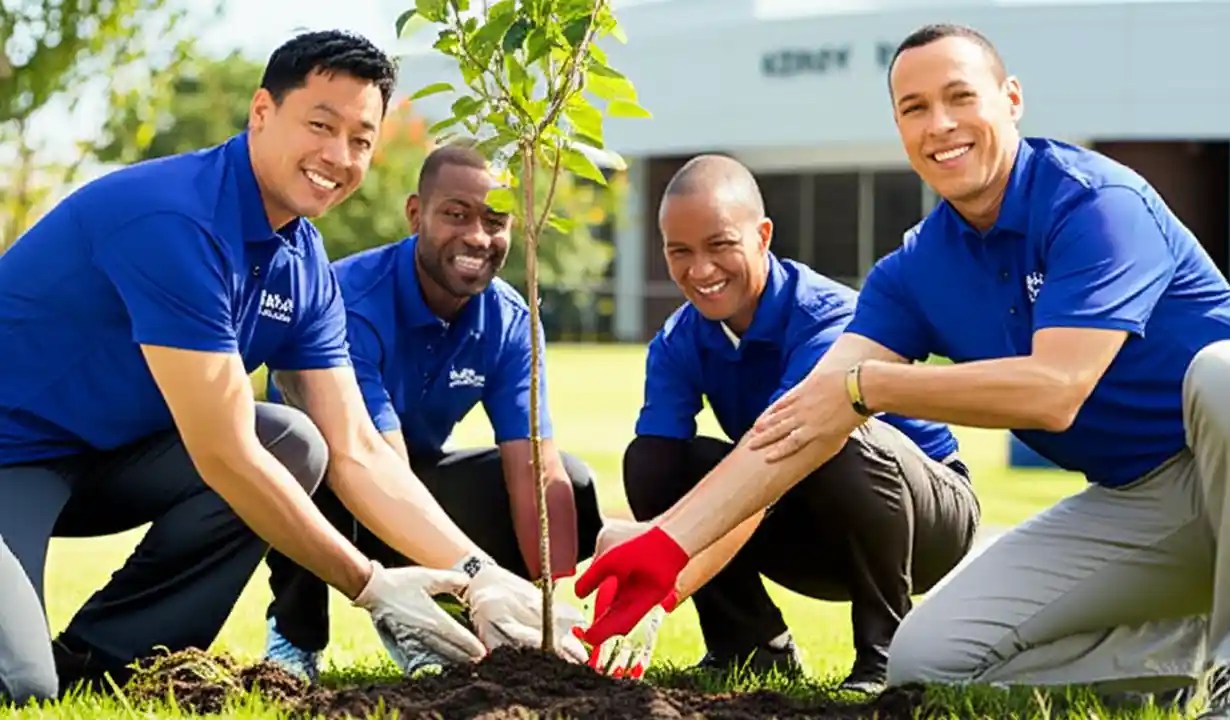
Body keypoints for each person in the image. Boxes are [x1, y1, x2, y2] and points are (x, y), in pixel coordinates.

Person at [575, 22, 1230, 720]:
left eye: (959, 97)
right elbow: (804, 418)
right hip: (1145, 498)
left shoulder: (1095, 203)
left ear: (1010, 99)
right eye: (914, 109)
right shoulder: (914, 271)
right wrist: (669, 545)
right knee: (927, 661)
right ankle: (1174, 661)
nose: (939, 125)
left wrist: (872, 387)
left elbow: (1056, 390)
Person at [0, 30, 581, 706]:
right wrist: (368, 582)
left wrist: (479, 575)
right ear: (261, 113)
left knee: (294, 441)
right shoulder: (173, 219)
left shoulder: (302, 262)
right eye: (320, 125)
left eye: (361, 141)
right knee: (16, 686)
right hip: (12, 460)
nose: (339, 157)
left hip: (105, 461)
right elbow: (223, 455)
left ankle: (102, 661)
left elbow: (357, 448)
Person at [598, 155, 979, 692]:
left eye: (719, 245)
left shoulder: (828, 317)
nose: (699, 270)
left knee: (826, 428)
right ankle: (750, 647)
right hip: (808, 516)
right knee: (652, 462)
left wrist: (667, 577)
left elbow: (783, 455)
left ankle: (883, 656)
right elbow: (684, 473)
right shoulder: (678, 339)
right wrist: (646, 546)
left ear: (762, 235)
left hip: (927, 520)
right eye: (679, 251)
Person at [261, 143, 606, 681]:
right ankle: (296, 638)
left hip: (417, 469)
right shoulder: (350, 299)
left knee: (573, 482)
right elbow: (376, 462)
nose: (476, 236)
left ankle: (509, 633)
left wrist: (551, 604)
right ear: (416, 213)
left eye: (495, 220)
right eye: (456, 214)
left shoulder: (511, 320)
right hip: (342, 467)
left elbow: (532, 468)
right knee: (302, 454)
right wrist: (470, 577)